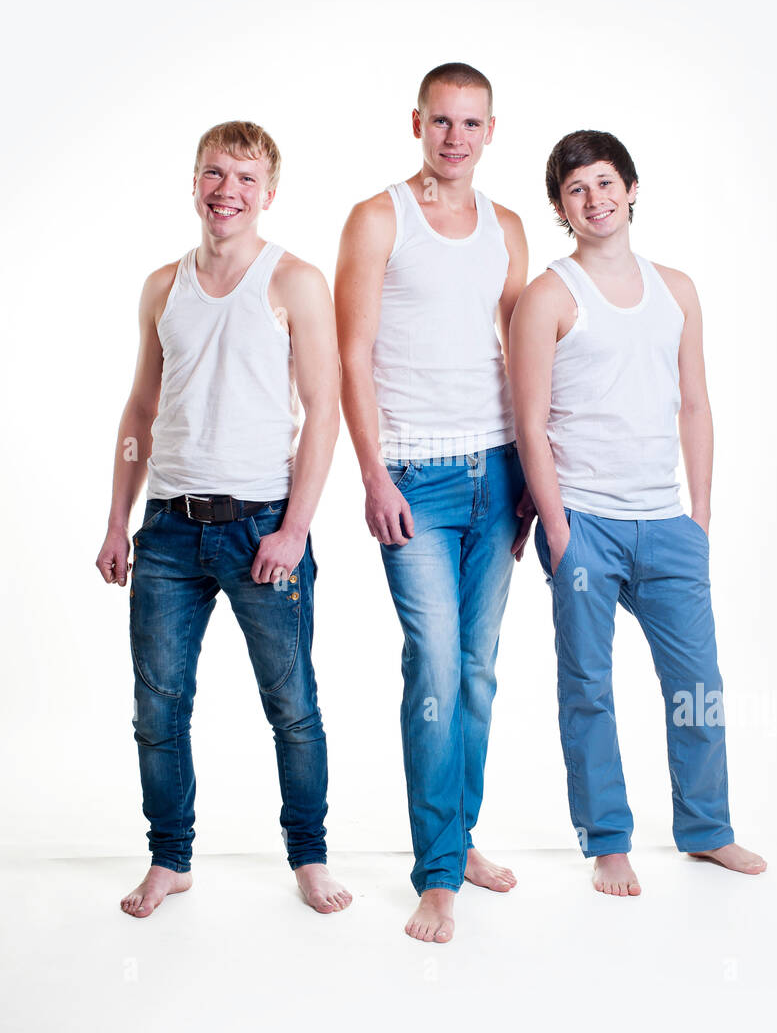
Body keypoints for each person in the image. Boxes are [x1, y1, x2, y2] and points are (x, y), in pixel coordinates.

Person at [96, 120, 351, 918]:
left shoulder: (295, 281)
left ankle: (309, 858)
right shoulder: (161, 285)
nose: (227, 192)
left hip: (261, 528)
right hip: (168, 529)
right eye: (214, 174)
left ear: (268, 193)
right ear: (194, 182)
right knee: (158, 707)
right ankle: (170, 859)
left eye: (245, 179)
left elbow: (323, 409)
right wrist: (116, 520)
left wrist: (294, 529)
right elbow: (141, 405)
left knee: (292, 704)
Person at [509, 129, 766, 896]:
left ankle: (707, 830)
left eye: (605, 183)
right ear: (561, 205)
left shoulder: (676, 288)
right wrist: (557, 532)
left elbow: (694, 402)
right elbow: (530, 425)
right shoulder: (549, 296)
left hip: (668, 526)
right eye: (577, 189)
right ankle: (607, 839)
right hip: (583, 520)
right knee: (588, 687)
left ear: (629, 188)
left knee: (698, 686)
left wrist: (703, 516)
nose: (594, 200)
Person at [335, 63, 532, 943]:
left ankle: (460, 838)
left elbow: (527, 361)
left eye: (472, 123)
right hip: (413, 475)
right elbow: (352, 355)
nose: (455, 138)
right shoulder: (379, 218)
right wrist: (374, 475)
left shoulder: (509, 228)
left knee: (480, 673)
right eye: (441, 121)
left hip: (497, 473)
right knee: (436, 667)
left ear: (492, 130)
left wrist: (531, 476)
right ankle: (438, 873)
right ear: (417, 122)